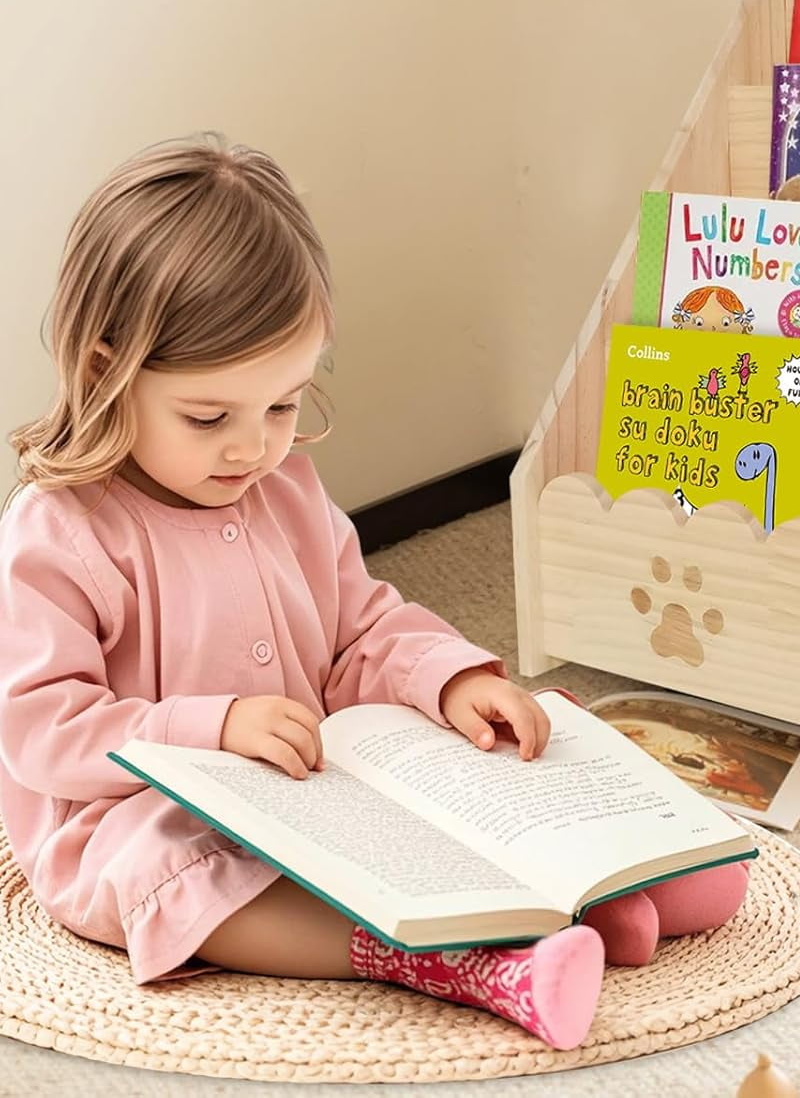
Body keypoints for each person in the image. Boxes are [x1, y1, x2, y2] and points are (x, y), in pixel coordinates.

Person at [0, 136, 744, 1050]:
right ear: (104, 369)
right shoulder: (59, 531)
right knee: (163, 870)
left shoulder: (282, 488)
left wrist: (447, 680)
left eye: (283, 405)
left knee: (457, 767)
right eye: (209, 417)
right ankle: (455, 963)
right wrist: (212, 727)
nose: (253, 448)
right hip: (136, 812)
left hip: (316, 787)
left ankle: (584, 892)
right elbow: (41, 730)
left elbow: (360, 629)